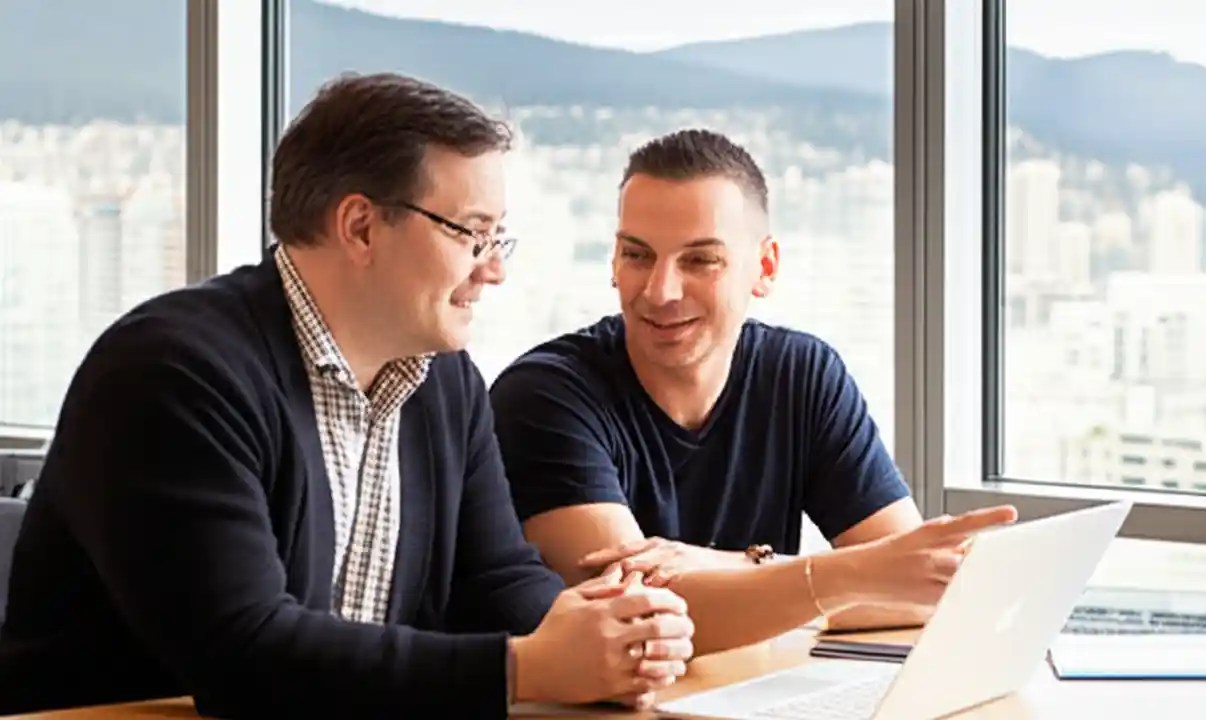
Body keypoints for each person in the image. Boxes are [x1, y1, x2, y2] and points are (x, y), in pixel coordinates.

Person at [0, 73, 693, 717]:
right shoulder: (174, 372)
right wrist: (525, 670)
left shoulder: (443, 381)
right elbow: (240, 656)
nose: (495, 270)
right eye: (474, 235)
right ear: (360, 227)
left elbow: (499, 582)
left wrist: (613, 635)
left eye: (498, 237)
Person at [489, 128, 1016, 656]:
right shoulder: (544, 396)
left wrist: (733, 565)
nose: (660, 291)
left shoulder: (802, 374)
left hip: (746, 693)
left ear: (763, 268)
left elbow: (924, 585)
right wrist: (846, 579)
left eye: (699, 261)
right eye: (638, 255)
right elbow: (635, 618)